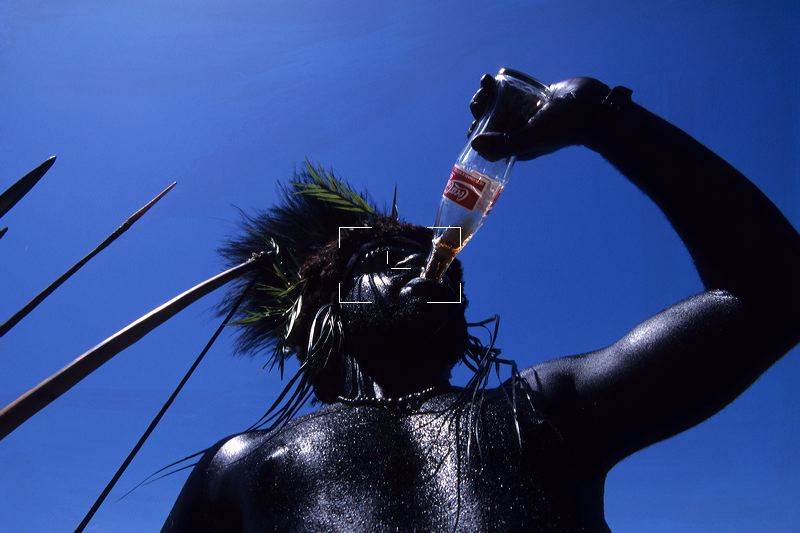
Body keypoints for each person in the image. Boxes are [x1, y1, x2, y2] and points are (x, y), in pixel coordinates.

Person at [162, 75, 799, 532]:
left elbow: (772, 292)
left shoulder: (546, 412)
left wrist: (601, 116)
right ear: (335, 311)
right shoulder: (244, 468)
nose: (434, 269)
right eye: (386, 261)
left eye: (453, 277)